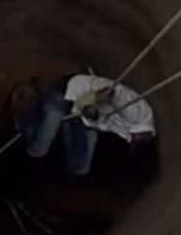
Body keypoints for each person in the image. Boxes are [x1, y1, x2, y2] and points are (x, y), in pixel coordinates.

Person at [21, 74, 155, 176]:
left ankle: (63, 124)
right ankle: (29, 101)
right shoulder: (139, 115)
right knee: (37, 150)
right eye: (133, 146)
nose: (130, 144)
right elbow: (112, 93)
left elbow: (104, 123)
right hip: (69, 93)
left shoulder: (130, 136)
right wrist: (93, 99)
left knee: (80, 168)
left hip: (81, 116)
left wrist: (93, 116)